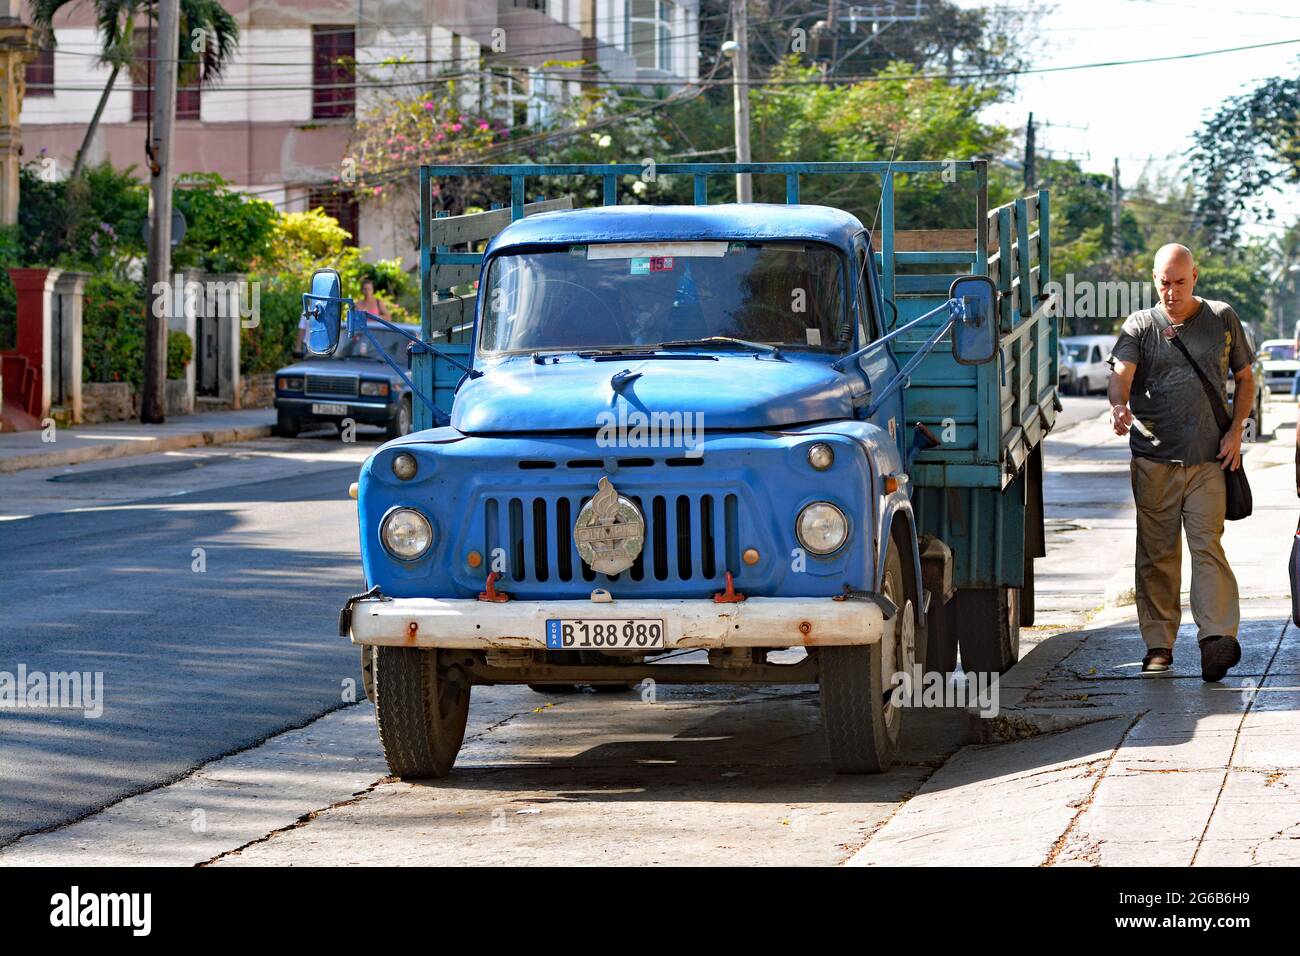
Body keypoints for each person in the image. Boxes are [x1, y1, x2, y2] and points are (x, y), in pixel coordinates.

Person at [1108, 244, 1254, 682]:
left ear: (1195, 277)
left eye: (1179, 282)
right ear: (1154, 280)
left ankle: (1216, 640)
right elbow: (1121, 376)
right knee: (1157, 556)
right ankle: (1158, 644)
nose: (1170, 292)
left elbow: (1245, 378)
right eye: (1163, 283)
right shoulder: (1140, 325)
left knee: (1207, 546)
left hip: (1210, 459)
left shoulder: (1222, 318)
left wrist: (1236, 430)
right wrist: (1118, 406)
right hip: (1154, 460)